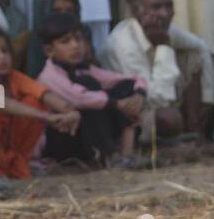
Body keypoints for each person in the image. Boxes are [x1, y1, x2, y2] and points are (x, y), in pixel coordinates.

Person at [98, 0, 214, 142]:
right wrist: (164, 47)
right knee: (170, 119)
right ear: (136, 11)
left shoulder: (161, 27)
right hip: (129, 113)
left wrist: (208, 99)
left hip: (157, 94)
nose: (165, 14)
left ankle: (195, 133)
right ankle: (162, 143)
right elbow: (155, 99)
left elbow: (201, 47)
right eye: (156, 7)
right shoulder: (124, 44)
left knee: (192, 55)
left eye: (169, 6)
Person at [0, 25, 79, 180]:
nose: (1, 57)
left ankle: (17, 163)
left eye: (5, 51)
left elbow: (44, 93)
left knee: (35, 101)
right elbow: (0, 103)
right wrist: (45, 117)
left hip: (7, 151)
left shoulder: (13, 77)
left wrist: (70, 111)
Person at [37, 12, 146, 166]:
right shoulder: (48, 75)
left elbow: (130, 79)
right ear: (49, 50)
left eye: (78, 38)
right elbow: (79, 98)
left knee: (125, 87)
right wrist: (117, 103)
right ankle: (107, 156)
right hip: (64, 138)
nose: (75, 45)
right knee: (93, 96)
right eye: (65, 41)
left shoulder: (83, 69)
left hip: (83, 133)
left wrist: (139, 95)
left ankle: (126, 154)